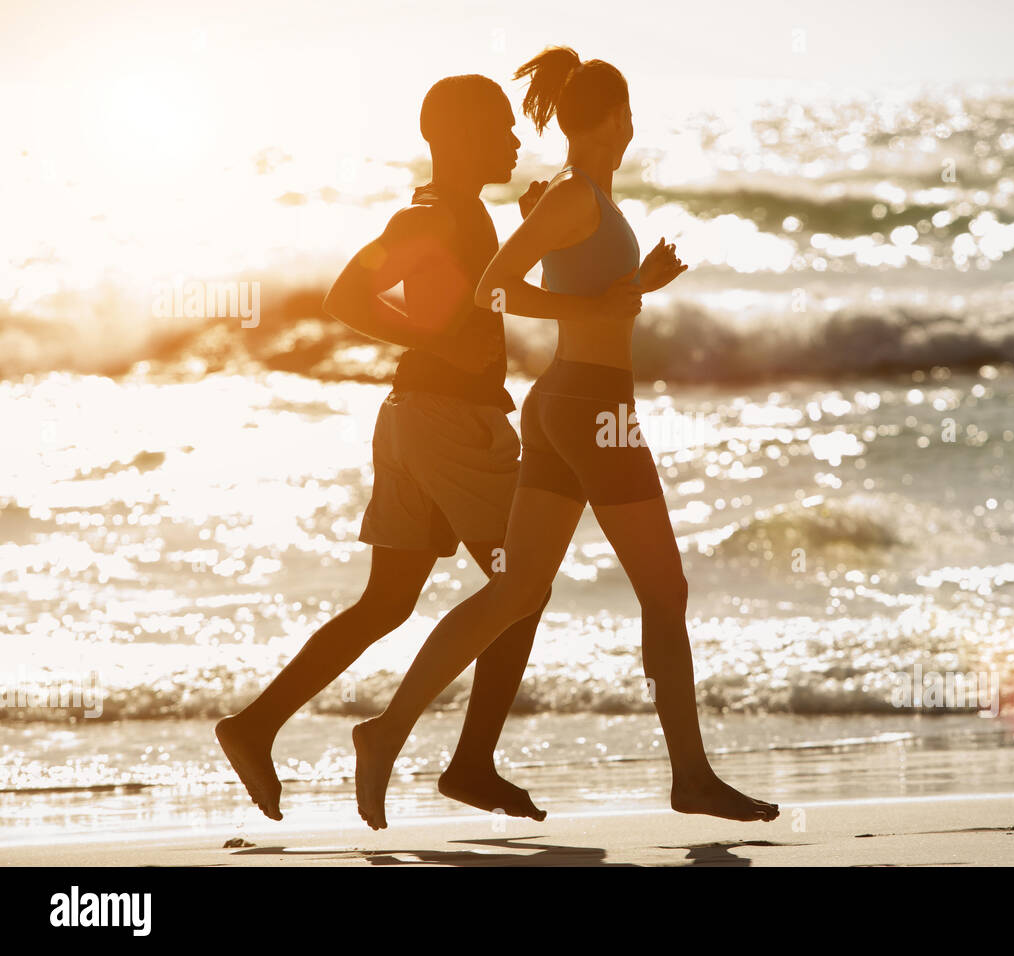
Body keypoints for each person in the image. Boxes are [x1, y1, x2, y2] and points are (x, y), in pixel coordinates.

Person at [352, 46, 779, 828]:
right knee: (665, 592)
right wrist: (595, 312)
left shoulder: (585, 199)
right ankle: (691, 777)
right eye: (628, 113)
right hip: (591, 409)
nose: (631, 124)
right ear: (616, 118)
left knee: (516, 593)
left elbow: (584, 292)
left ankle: (384, 733)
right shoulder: (574, 197)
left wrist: (635, 287)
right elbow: (495, 287)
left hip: (569, 406)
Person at [216, 74, 553, 823]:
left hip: (413, 417)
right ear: (458, 137)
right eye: (500, 128)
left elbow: (460, 300)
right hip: (448, 424)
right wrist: (442, 342)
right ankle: (468, 763)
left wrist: (524, 242)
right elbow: (347, 298)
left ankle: (254, 726)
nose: (514, 140)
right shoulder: (438, 216)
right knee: (522, 588)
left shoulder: (450, 212)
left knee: (388, 601)